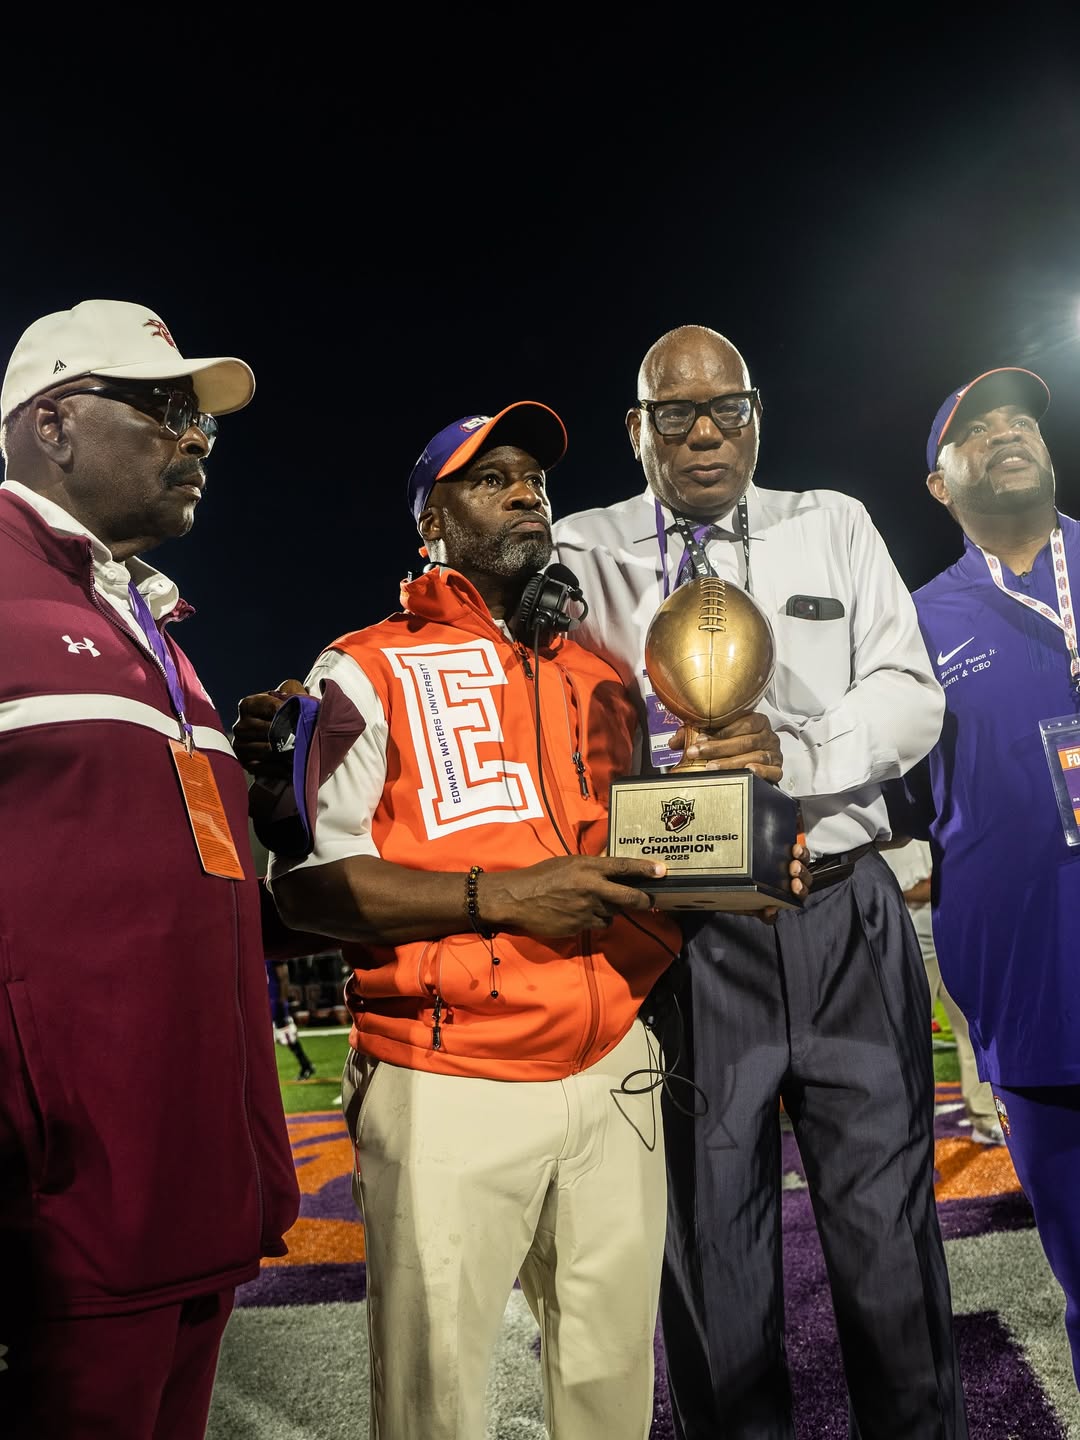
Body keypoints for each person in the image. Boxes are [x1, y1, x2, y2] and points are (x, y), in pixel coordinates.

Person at [241, 400, 711, 1440]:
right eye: (487, 476)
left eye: (533, 477)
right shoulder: (359, 667)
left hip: (614, 1072)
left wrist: (748, 848)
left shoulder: (602, 677)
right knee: (436, 1405)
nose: (523, 489)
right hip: (447, 1079)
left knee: (610, 1393)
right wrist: (502, 896)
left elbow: (652, 851)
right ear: (431, 522)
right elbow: (306, 890)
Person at [550, 325, 968, 1438]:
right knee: (711, 1252)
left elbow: (911, 693)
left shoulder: (828, 522)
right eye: (674, 413)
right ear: (635, 430)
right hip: (686, 934)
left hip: (842, 907)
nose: (703, 433)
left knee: (889, 1236)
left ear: (756, 417)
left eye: (726, 408)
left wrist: (801, 749)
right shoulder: (579, 550)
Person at [0, 299, 300, 1439]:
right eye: (163, 408)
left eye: (203, 420)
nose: (197, 439)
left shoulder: (154, 630)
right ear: (55, 423)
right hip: (61, 1210)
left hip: (187, 1187)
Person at [885, 365, 1080, 1389]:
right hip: (1037, 1004)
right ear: (939, 483)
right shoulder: (914, 630)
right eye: (978, 428)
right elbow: (904, 815)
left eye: (1022, 421)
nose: (1010, 434)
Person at [879, 839, 1003, 1144]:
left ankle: (985, 1117)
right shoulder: (881, 838)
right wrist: (933, 886)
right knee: (905, 1045)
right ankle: (904, 1125)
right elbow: (891, 891)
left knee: (973, 1036)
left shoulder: (930, 831)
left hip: (947, 946)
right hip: (904, 952)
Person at [267, 957, 317, 1080]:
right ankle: (306, 1065)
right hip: (266, 1000)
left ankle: (306, 1065)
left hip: (275, 1001)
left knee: (287, 1036)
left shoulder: (274, 955)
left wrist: (282, 1001)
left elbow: (284, 977)